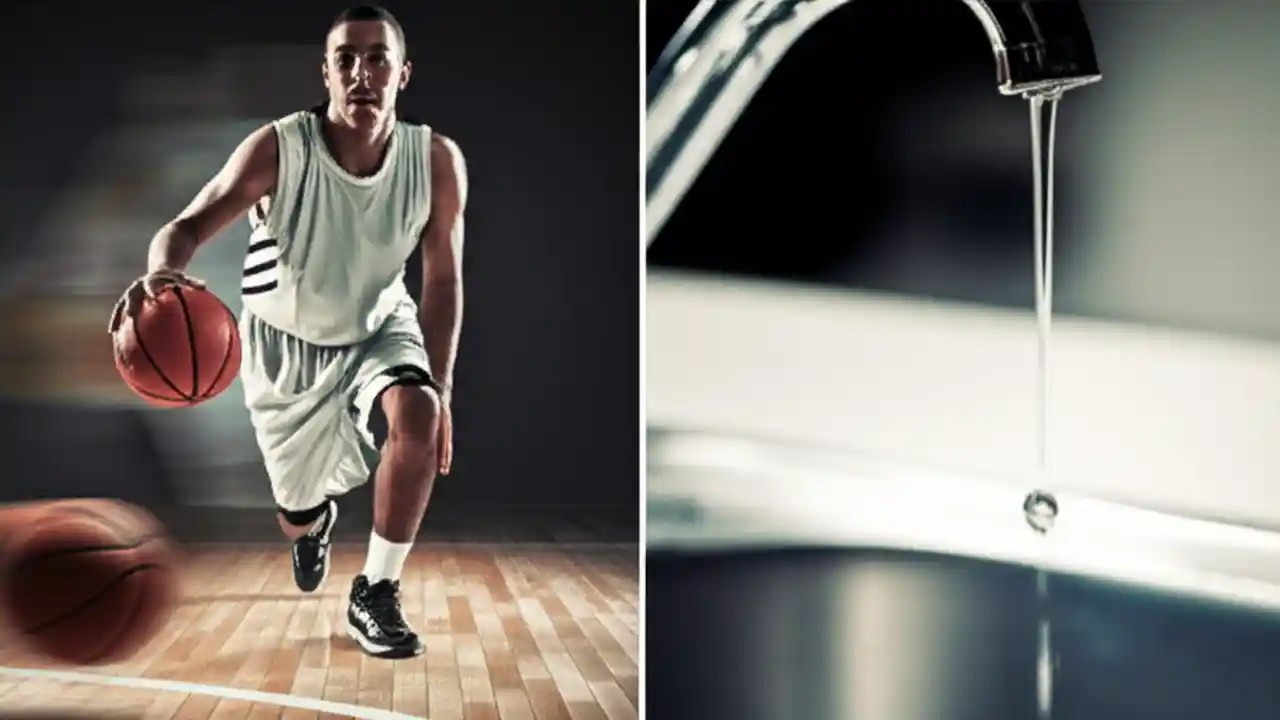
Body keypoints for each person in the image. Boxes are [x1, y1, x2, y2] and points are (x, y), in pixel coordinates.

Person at [106, 4, 466, 660]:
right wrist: (162, 272)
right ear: (325, 72)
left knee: (416, 410)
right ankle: (312, 526)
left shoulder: (435, 160)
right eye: (347, 59)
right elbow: (185, 227)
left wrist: (440, 385)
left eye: (377, 58)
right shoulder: (278, 148)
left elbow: (442, 281)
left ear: (403, 73)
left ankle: (376, 590)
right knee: (295, 509)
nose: (362, 72)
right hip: (284, 345)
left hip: (379, 327)